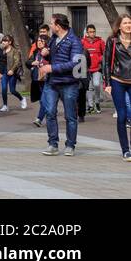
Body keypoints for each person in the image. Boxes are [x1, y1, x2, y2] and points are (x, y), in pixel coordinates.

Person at [38, 14, 83, 157]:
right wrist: (45, 54)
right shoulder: (53, 40)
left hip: (69, 83)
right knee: (50, 112)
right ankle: (53, 144)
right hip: (52, 83)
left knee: (70, 116)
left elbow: (76, 63)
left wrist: (52, 68)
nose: (50, 26)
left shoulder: (74, 41)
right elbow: (52, 58)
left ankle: (70, 145)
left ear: (58, 26)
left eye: (51, 23)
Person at [101, 13, 131, 161]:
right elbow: (106, 62)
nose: (128, 25)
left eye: (130, 23)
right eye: (125, 23)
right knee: (122, 115)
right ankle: (126, 150)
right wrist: (106, 83)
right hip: (117, 80)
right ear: (119, 26)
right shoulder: (112, 41)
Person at [30, 24, 51, 127]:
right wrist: (32, 63)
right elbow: (28, 61)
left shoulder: (49, 51)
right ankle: (48, 115)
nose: (38, 43)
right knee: (44, 100)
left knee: (44, 100)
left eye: (41, 41)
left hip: (48, 78)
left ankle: (39, 118)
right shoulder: (36, 52)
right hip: (39, 79)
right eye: (38, 41)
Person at [82, 24, 105, 116]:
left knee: (96, 84)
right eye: (90, 32)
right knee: (89, 87)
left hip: (97, 68)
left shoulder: (100, 41)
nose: (92, 33)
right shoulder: (82, 42)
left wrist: (99, 59)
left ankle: (97, 102)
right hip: (86, 69)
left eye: (93, 31)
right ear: (87, 33)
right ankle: (90, 106)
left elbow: (105, 53)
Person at [1, 35, 25, 112]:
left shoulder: (15, 51)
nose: (3, 42)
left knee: (12, 90)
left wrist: (12, 70)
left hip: (12, 73)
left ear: (10, 42)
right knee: (4, 89)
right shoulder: (1, 50)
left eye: (5, 41)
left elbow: (17, 61)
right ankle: (5, 105)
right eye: (3, 41)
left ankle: (21, 98)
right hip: (4, 72)